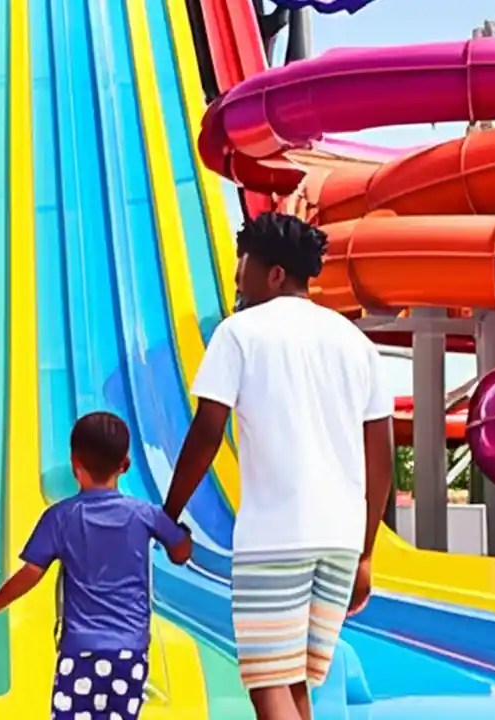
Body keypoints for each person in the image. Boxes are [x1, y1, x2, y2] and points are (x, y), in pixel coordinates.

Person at [163, 212, 394, 720]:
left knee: (267, 682)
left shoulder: (240, 332)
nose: (236, 276)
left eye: (243, 264)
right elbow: (381, 457)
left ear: (273, 274)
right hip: (340, 539)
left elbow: (206, 431)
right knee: (293, 684)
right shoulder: (356, 343)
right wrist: (366, 553)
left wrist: (169, 512)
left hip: (275, 537)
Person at [0, 411, 193, 720]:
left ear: (74, 464)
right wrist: (180, 532)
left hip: (79, 651)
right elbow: (181, 552)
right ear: (125, 465)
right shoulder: (145, 515)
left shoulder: (59, 518)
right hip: (129, 651)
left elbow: (29, 575)